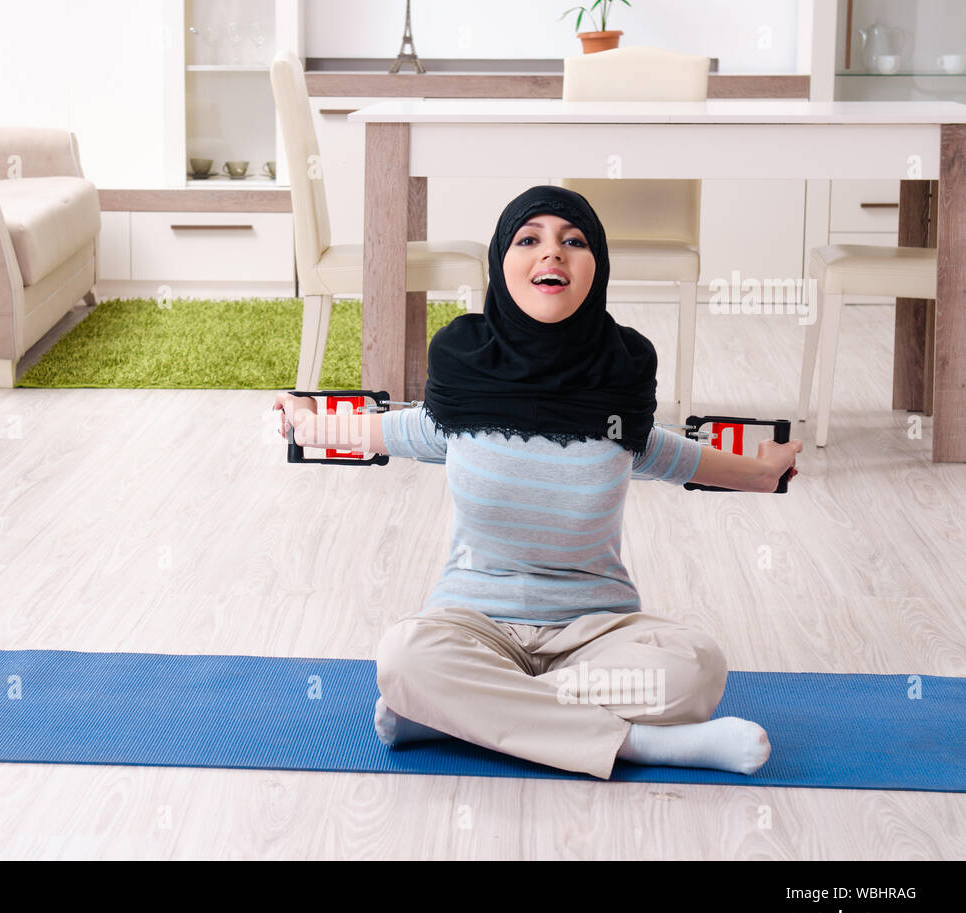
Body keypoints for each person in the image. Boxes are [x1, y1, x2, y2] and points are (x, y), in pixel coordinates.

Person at [273, 185, 800, 780]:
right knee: (404, 657)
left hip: (596, 629)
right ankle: (643, 745)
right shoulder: (464, 383)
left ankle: (456, 714)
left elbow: (675, 457)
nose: (552, 253)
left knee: (698, 666)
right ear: (502, 262)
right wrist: (307, 422)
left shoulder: (617, 387)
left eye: (573, 241)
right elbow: (382, 432)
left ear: (596, 268)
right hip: (473, 623)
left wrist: (760, 472)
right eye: (530, 240)